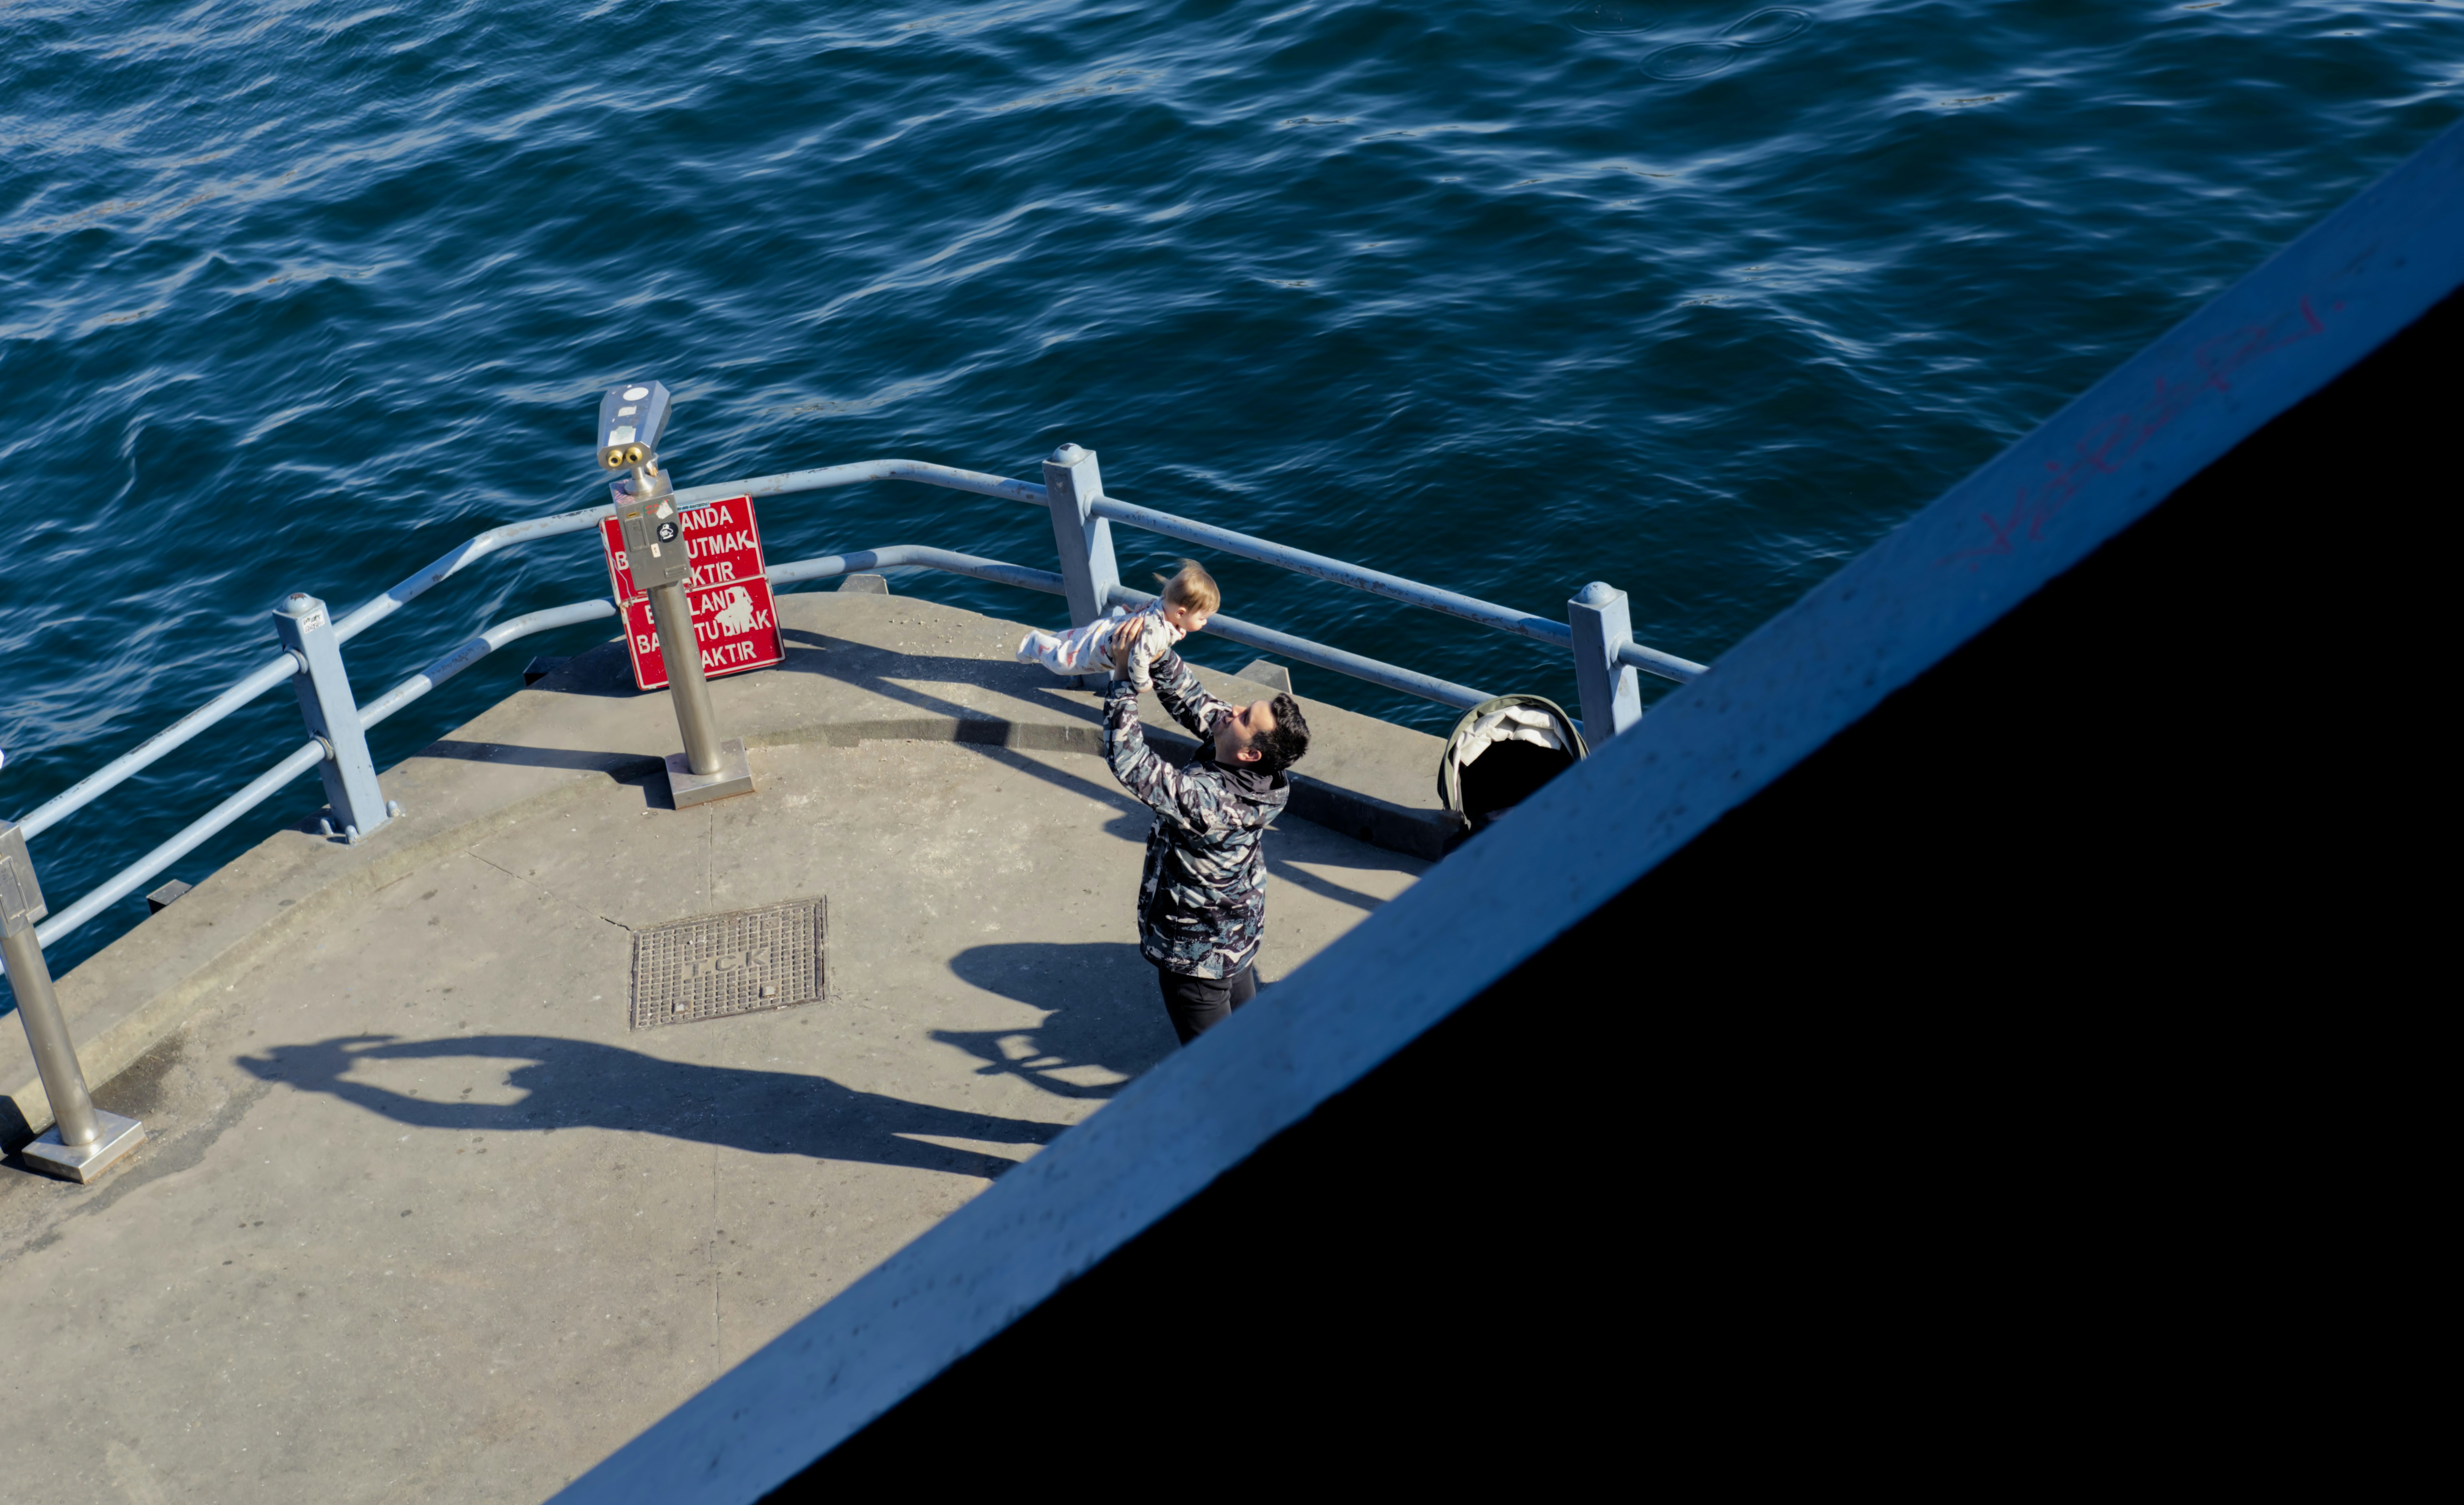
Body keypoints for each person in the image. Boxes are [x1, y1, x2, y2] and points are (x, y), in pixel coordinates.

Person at [1100, 611, 1311, 1045]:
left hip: (1196, 957)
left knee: (1216, 1074)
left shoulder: (1214, 804)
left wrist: (1123, 678)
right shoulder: (1263, 774)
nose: (1231, 710)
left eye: (1243, 717)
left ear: (1252, 753)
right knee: (1249, 1039)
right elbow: (1192, 700)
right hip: (1235, 933)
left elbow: (1130, 760)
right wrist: (1157, 649)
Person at [1018, 560, 1218, 679]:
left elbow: (1153, 615)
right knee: (1064, 664)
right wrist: (1143, 682)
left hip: (1108, 628)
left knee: (1071, 640)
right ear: (1181, 613)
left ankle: (1050, 642)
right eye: (1203, 618)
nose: (1205, 623)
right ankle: (1035, 644)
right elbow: (1139, 659)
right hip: (1101, 649)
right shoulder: (1157, 633)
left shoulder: (1163, 605)